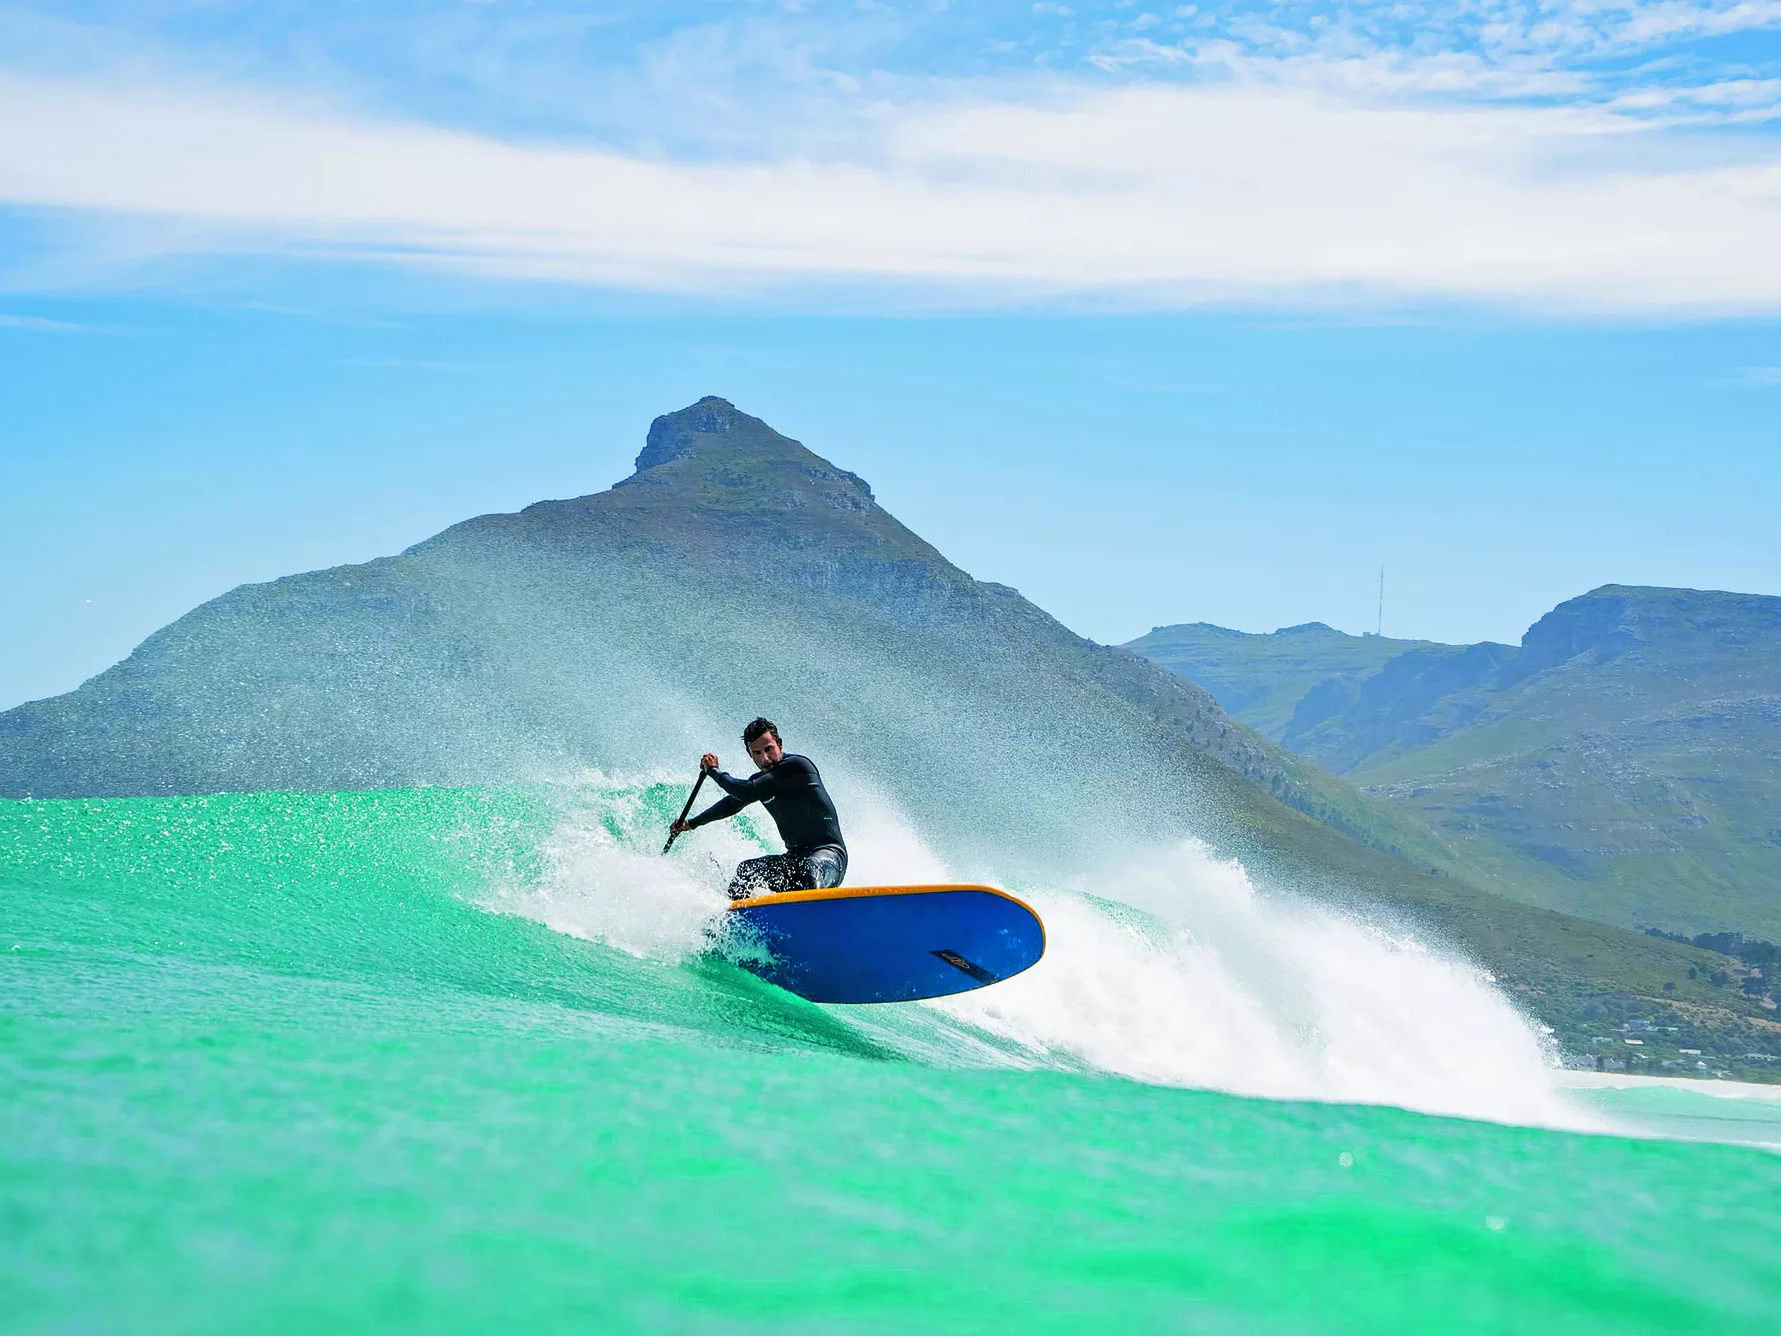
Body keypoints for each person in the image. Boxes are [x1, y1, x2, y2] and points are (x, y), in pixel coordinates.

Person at [669, 718, 848, 900]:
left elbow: (746, 792)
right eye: (757, 752)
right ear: (749, 754)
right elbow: (731, 804)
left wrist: (714, 771)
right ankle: (735, 922)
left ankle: (818, 913)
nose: (765, 758)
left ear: (779, 744)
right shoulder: (761, 783)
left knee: (809, 868)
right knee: (747, 871)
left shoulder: (797, 767)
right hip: (794, 860)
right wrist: (691, 824)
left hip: (829, 857)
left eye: (769, 749)